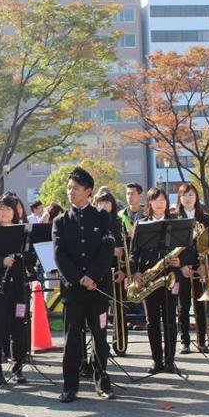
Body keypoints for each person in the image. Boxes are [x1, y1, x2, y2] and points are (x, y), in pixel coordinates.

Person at [53, 167, 116, 403]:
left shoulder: (102, 217)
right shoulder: (60, 221)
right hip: (73, 290)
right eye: (69, 188)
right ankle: (70, 385)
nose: (70, 192)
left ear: (88, 191)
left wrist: (93, 276)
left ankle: (102, 382)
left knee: (99, 337)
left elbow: (106, 250)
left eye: (76, 188)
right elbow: (60, 255)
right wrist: (79, 278)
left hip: (97, 289)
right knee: (71, 339)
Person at [0, 195, 36, 384]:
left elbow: (33, 258)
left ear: (15, 211)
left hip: (18, 286)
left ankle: (18, 368)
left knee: (19, 328)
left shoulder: (24, 232)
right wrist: (1, 261)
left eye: (8, 209)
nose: (4, 212)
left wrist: (21, 256)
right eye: (0, 209)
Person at [130, 187, 183, 373]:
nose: (160, 203)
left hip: (171, 276)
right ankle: (156, 360)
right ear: (150, 203)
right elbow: (133, 253)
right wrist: (135, 273)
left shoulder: (176, 223)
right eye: (155, 200)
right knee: (152, 321)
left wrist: (180, 260)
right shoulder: (141, 223)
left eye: (163, 200)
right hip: (149, 278)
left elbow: (189, 250)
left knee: (170, 320)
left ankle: (170, 360)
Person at [173, 183, 209, 354]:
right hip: (182, 268)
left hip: (200, 267)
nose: (188, 199)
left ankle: (202, 340)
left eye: (191, 195)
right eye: (184, 195)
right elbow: (171, 246)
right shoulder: (174, 218)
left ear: (197, 198)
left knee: (200, 304)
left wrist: (205, 264)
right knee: (183, 305)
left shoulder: (205, 218)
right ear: (180, 198)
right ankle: (185, 341)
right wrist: (180, 266)